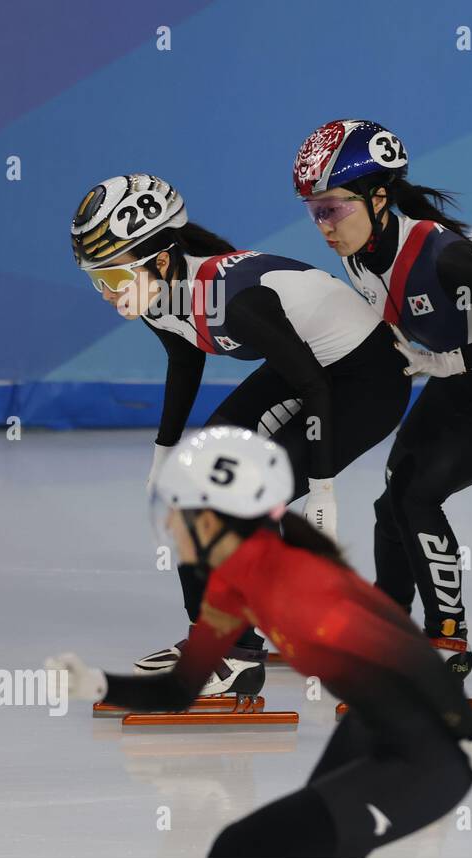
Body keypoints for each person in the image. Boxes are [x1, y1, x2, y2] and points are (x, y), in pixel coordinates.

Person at [46, 427, 472, 858]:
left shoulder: (298, 584)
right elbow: (181, 689)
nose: (168, 521)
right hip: (373, 731)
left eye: (176, 507)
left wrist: (469, 734)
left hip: (431, 758)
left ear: (211, 520)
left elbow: (408, 650)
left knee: (241, 848)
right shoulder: (233, 584)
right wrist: (96, 684)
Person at [71, 174, 407, 691]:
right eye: (99, 282)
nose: (110, 295)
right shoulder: (153, 290)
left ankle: (244, 654)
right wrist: (163, 454)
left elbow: (315, 387)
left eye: (115, 279)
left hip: (364, 380)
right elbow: (183, 360)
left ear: (161, 258)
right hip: (309, 364)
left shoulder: (235, 300)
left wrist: (321, 492)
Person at [293, 120, 472, 673]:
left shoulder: (445, 258)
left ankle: (449, 640)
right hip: (461, 381)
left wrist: (455, 361)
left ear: (378, 198)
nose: (323, 225)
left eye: (333, 209)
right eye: (314, 210)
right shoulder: (358, 254)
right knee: (392, 501)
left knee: (417, 497)